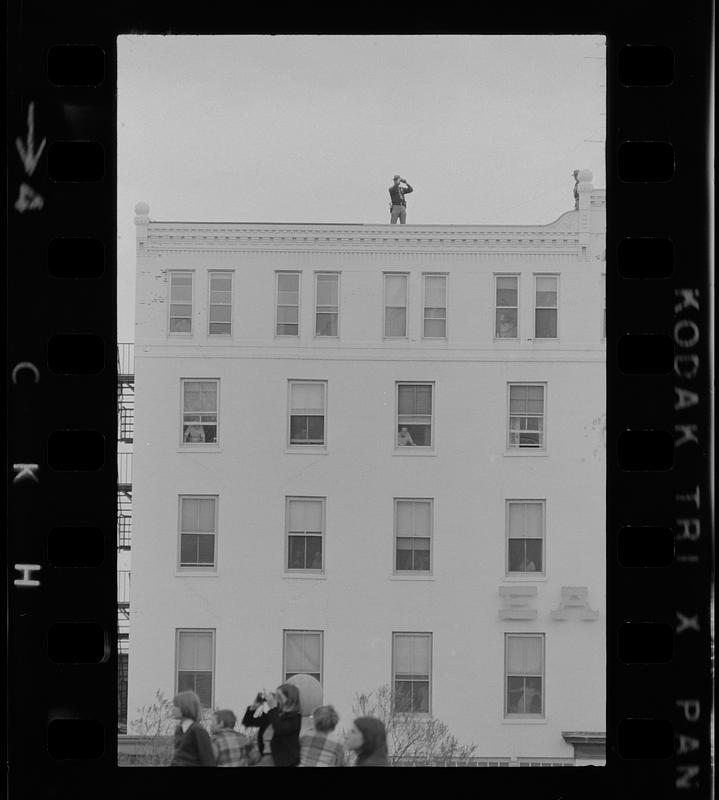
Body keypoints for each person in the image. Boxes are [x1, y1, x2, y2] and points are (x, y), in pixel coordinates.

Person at [242, 684, 302, 766]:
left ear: (289, 699)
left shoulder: (294, 718)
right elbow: (248, 722)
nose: (276, 699)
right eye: (276, 696)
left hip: (281, 760)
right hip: (266, 757)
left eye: (279, 697)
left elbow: (280, 729)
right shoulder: (273, 715)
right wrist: (254, 707)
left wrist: (273, 708)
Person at [169, 690, 216, 767]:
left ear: (185, 707)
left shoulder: (198, 731)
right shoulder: (179, 730)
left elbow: (208, 759)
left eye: (176, 706)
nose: (173, 709)